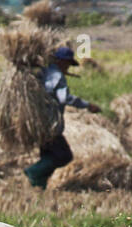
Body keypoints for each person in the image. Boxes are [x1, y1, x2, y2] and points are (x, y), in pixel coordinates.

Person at [23, 46, 102, 190]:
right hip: (50, 124)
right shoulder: (57, 76)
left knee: (47, 156)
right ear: (60, 61)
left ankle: (38, 188)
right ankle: (33, 172)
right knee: (64, 155)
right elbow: (64, 98)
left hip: (40, 122)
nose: (68, 67)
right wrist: (87, 105)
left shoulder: (44, 73)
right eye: (67, 63)